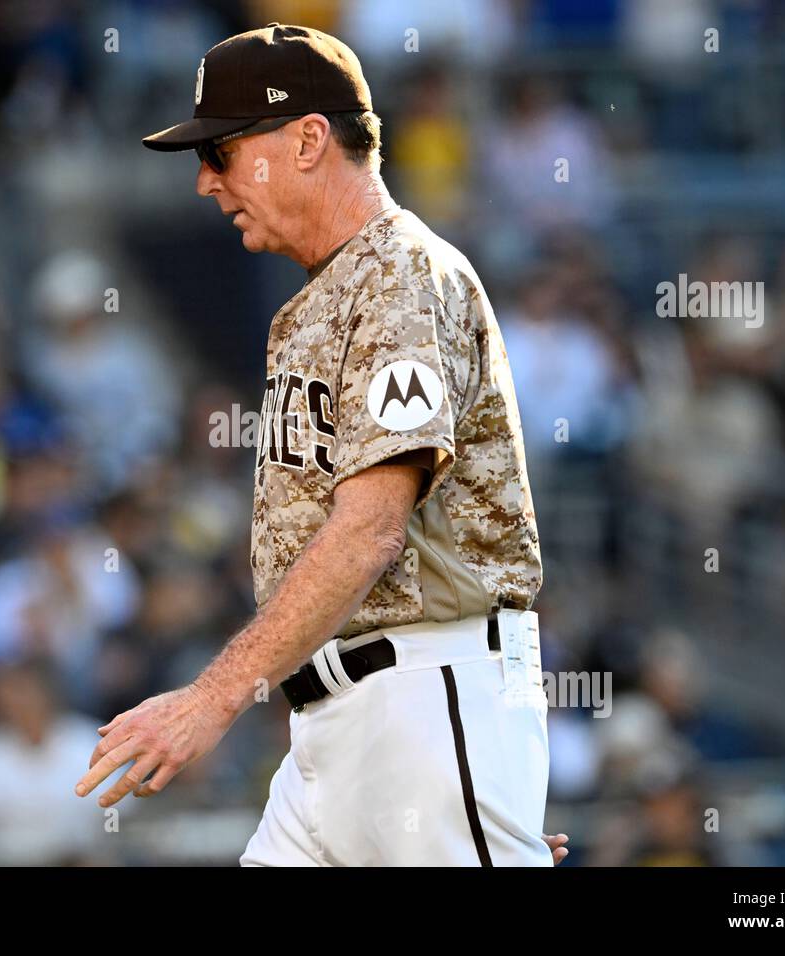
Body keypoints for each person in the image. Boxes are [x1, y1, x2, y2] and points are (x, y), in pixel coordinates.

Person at [76, 22, 567, 867]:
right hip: (339, 723)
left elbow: (372, 531)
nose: (204, 181)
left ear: (307, 139)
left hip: (424, 687)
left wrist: (209, 702)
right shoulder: (316, 300)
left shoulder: (403, 274)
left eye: (222, 151)